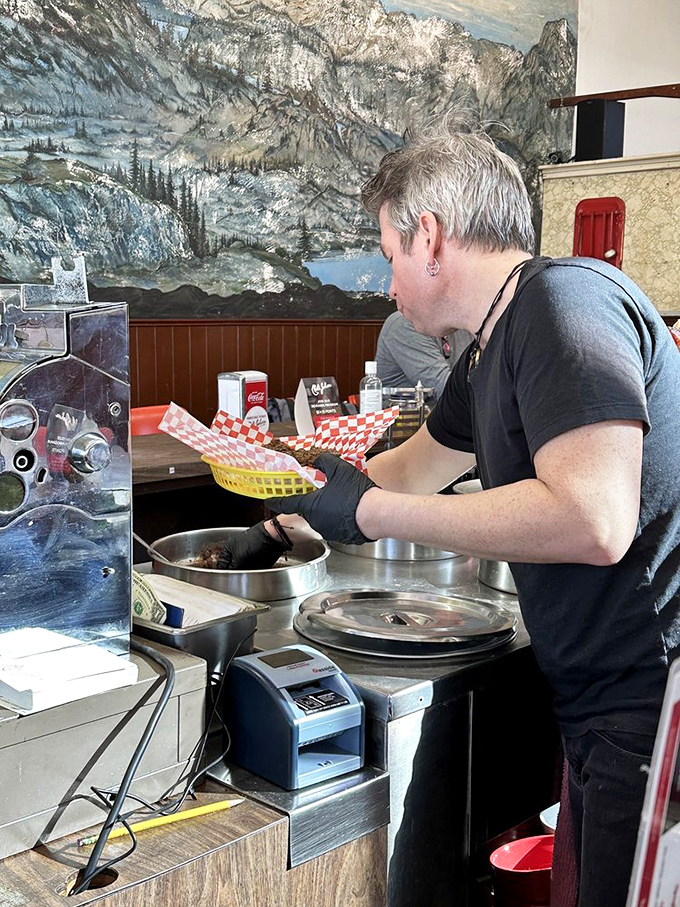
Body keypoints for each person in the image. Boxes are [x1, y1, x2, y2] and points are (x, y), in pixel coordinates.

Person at [267, 122, 680, 907]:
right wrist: (300, 503)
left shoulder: (566, 302)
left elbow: (595, 518)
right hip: (598, 699)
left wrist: (375, 511)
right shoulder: (485, 351)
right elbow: (412, 470)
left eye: (388, 254)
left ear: (429, 237)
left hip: (654, 705)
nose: (387, 283)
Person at [375, 310, 473, 400]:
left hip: (451, 414)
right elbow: (445, 389)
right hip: (404, 415)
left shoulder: (464, 324)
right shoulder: (405, 321)